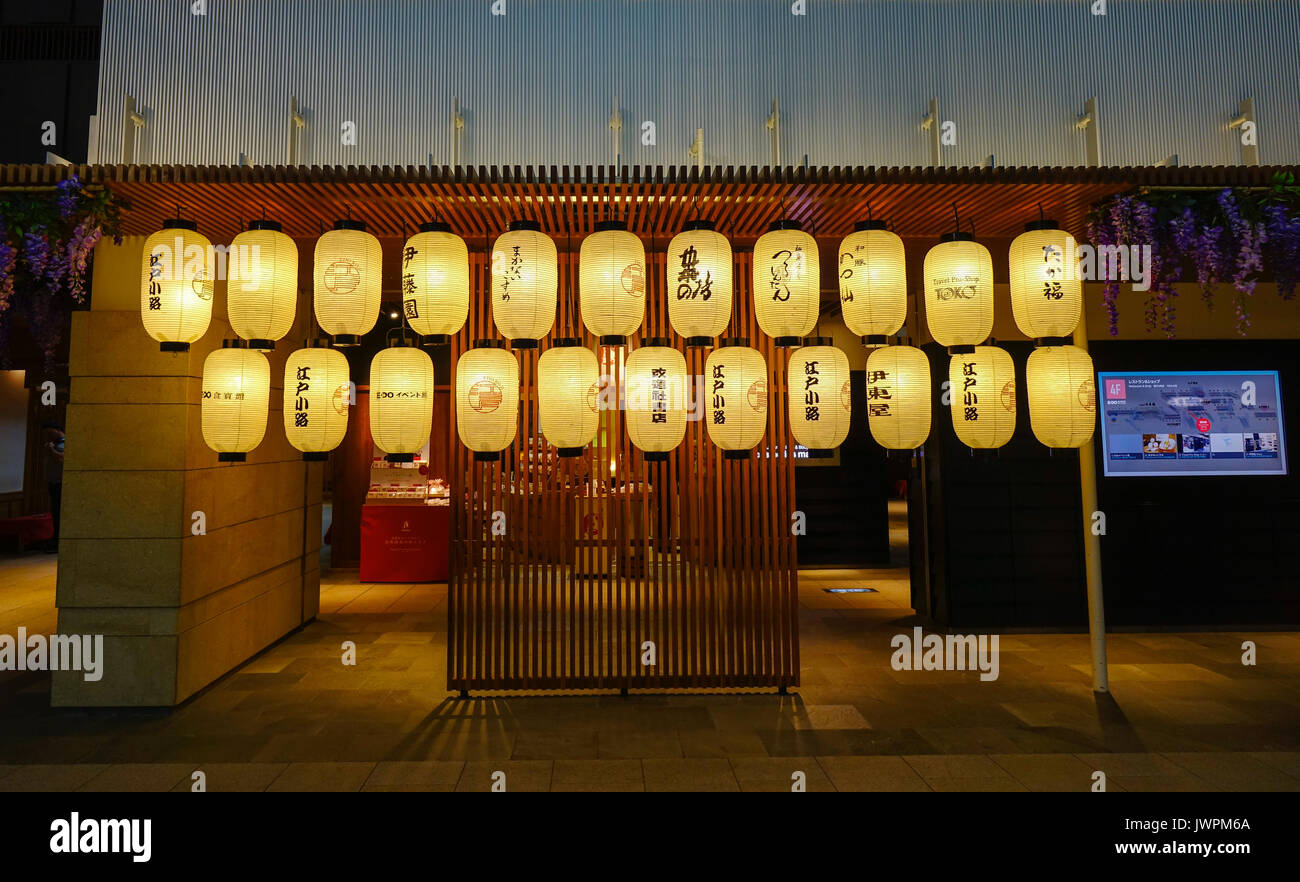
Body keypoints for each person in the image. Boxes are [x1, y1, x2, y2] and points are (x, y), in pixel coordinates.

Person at [42, 422, 64, 553]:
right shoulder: (54, 444)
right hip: (53, 484)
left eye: (50, 433)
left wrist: (51, 449)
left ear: (58, 430)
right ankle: (55, 540)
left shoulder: (65, 443)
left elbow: (62, 459)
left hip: (61, 484)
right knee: (55, 514)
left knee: (60, 513)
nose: (48, 436)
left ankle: (59, 542)